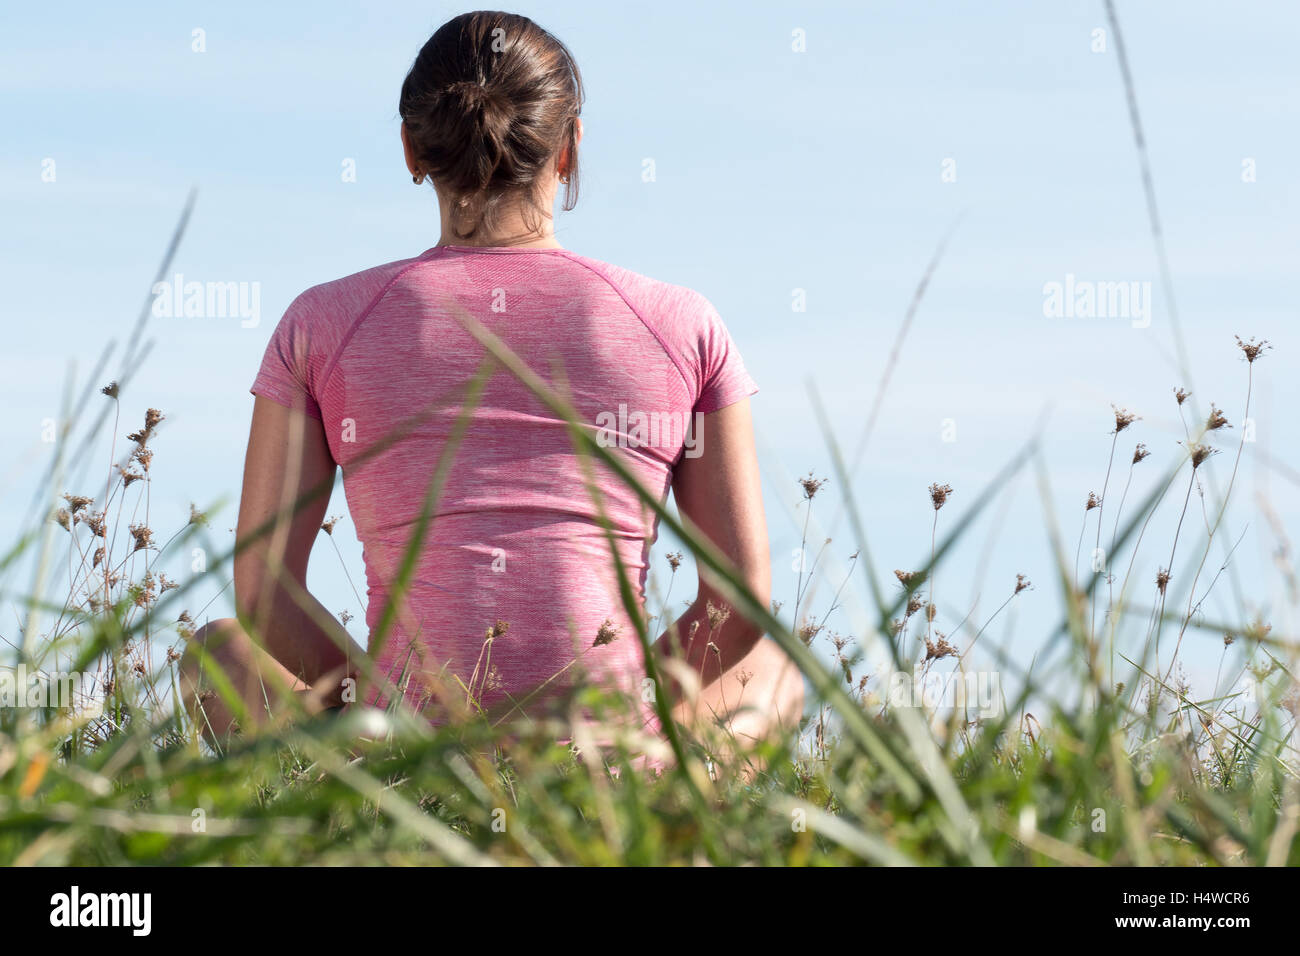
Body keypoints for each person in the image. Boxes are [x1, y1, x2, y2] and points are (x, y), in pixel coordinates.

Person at [180, 10, 803, 758]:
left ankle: (383, 775)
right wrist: (636, 715)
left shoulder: (321, 323)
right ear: (569, 149)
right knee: (776, 670)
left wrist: (376, 709)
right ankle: (649, 779)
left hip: (407, 751)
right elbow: (738, 606)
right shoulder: (683, 322)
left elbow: (262, 593)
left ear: (411, 150)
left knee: (214, 651)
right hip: (604, 759)